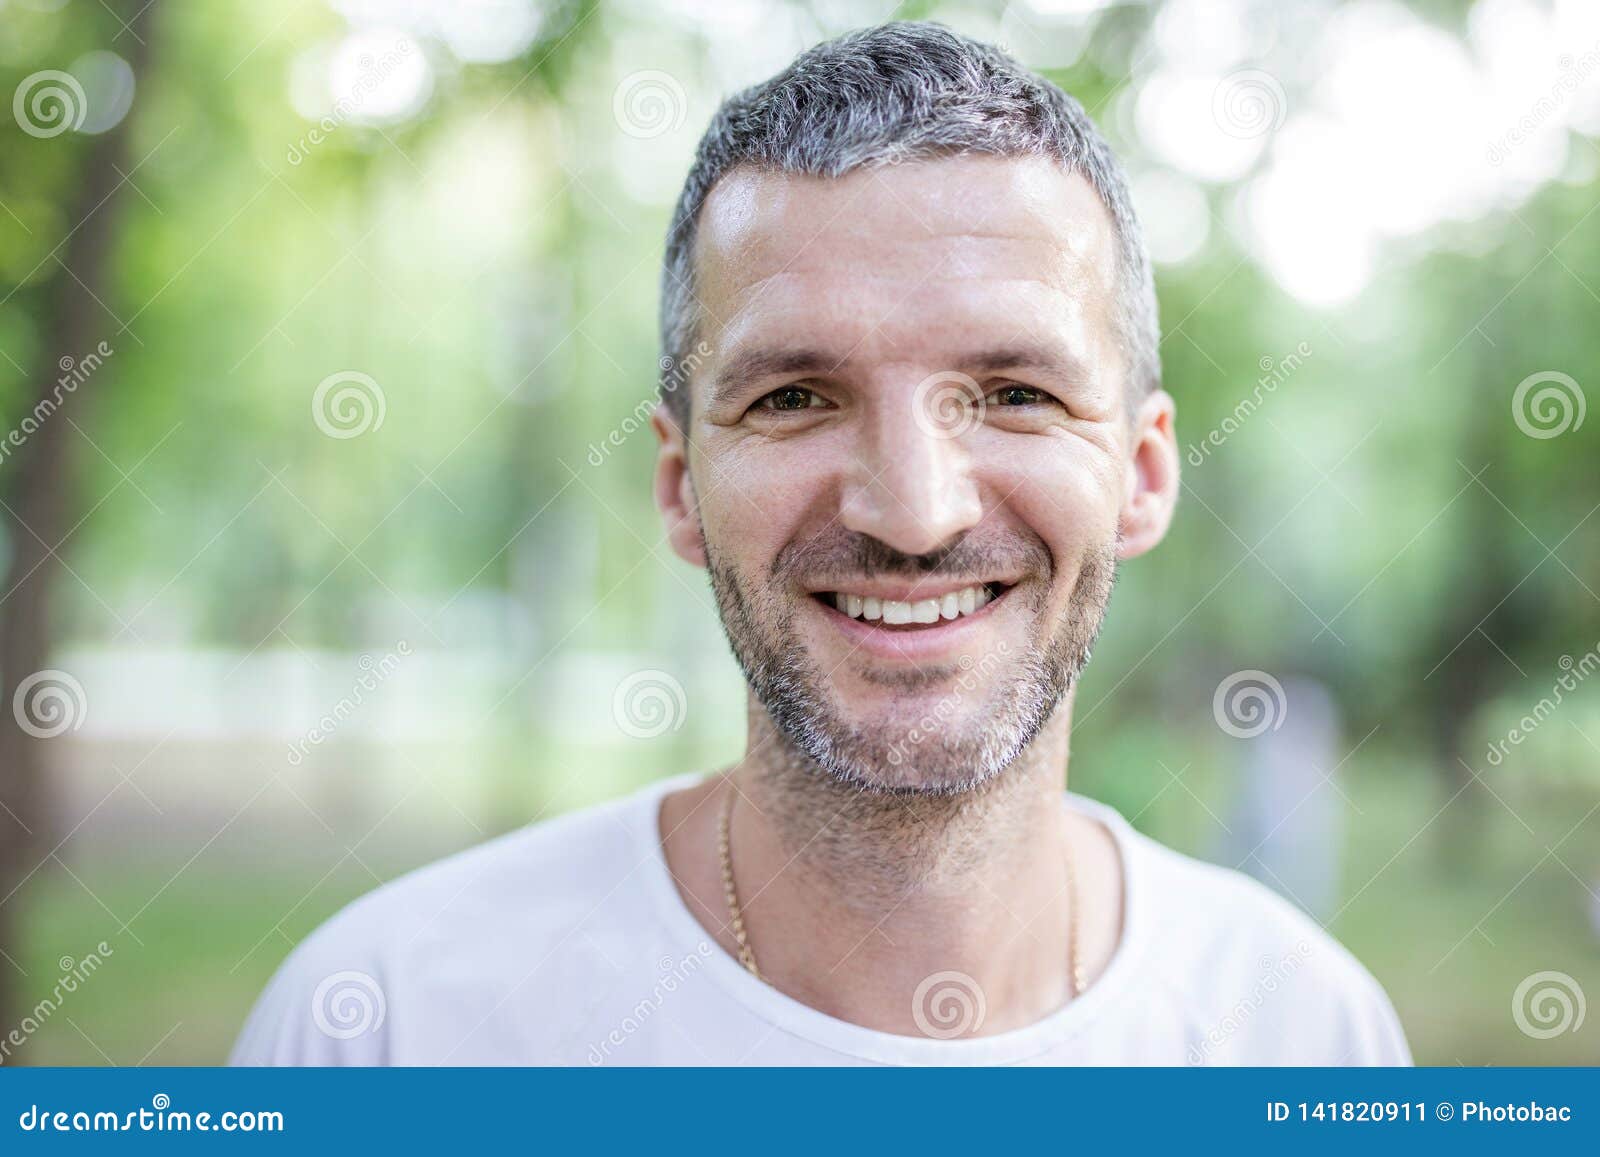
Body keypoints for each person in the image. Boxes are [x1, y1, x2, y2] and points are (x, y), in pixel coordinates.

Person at [232, 21, 1410, 1066]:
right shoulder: (388, 1030)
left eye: (1011, 391)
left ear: (1140, 475)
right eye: (795, 397)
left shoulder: (1305, 1040)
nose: (913, 511)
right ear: (681, 483)